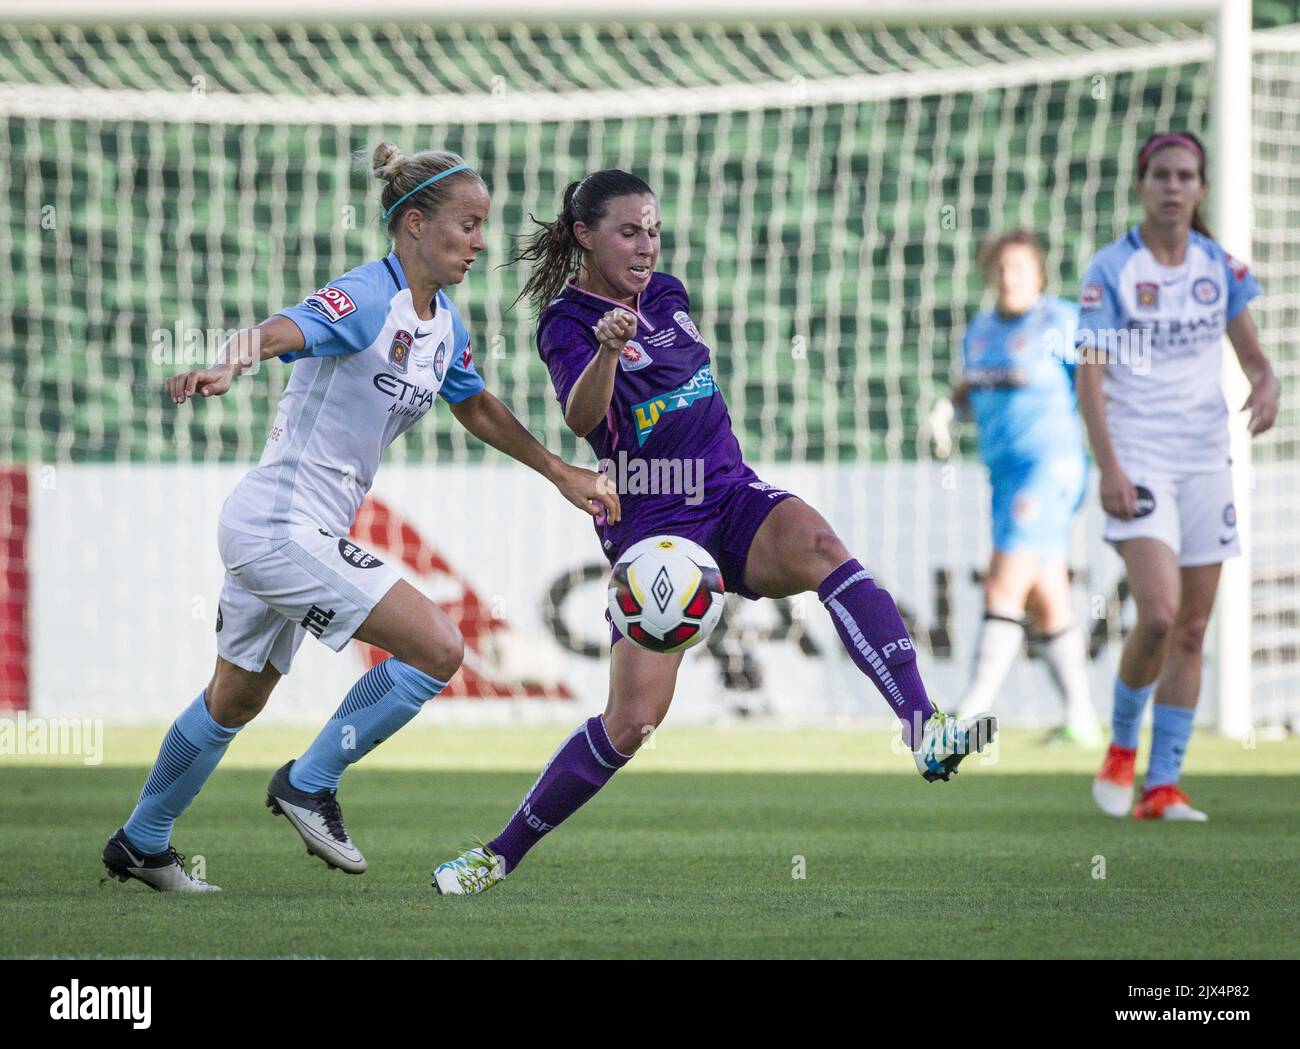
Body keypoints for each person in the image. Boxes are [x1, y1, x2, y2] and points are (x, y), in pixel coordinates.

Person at [430, 169, 997, 895]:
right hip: (658, 530)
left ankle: (925, 726)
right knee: (632, 722)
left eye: (653, 230)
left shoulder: (668, 295)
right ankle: (495, 855)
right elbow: (580, 418)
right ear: (585, 236)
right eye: (628, 232)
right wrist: (607, 349)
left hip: (729, 493)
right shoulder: (566, 323)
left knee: (826, 550)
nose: (645, 246)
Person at [101, 143, 619, 892]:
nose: (479, 241)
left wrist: (560, 471)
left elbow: (473, 403)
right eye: (467, 224)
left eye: (483, 226)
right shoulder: (366, 296)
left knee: (236, 698)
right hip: (278, 525)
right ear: (414, 225)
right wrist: (230, 360)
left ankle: (141, 840)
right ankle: (309, 780)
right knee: (439, 647)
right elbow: (286, 327)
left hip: (293, 529)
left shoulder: (443, 326)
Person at [1078, 131, 1279, 821]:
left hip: (1205, 461)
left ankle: (1162, 786)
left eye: (1185, 175)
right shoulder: (1111, 268)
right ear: (1142, 183)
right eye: (1161, 174)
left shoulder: (1218, 265)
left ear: (1202, 188)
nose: (1172, 186)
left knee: (1193, 627)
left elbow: (1252, 355)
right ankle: (1121, 748)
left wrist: (1268, 381)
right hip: (1138, 456)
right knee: (1158, 614)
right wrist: (1108, 465)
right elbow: (1091, 374)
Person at [934, 231, 1099, 746]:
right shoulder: (982, 328)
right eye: (1002, 268)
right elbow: (972, 381)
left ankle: (970, 714)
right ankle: (1083, 721)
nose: (1010, 278)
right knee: (1048, 599)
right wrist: (948, 408)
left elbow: (1099, 384)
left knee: (1003, 583)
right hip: (1004, 474)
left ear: (1040, 275)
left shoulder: (1061, 321)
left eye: (1020, 269)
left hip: (1050, 468)